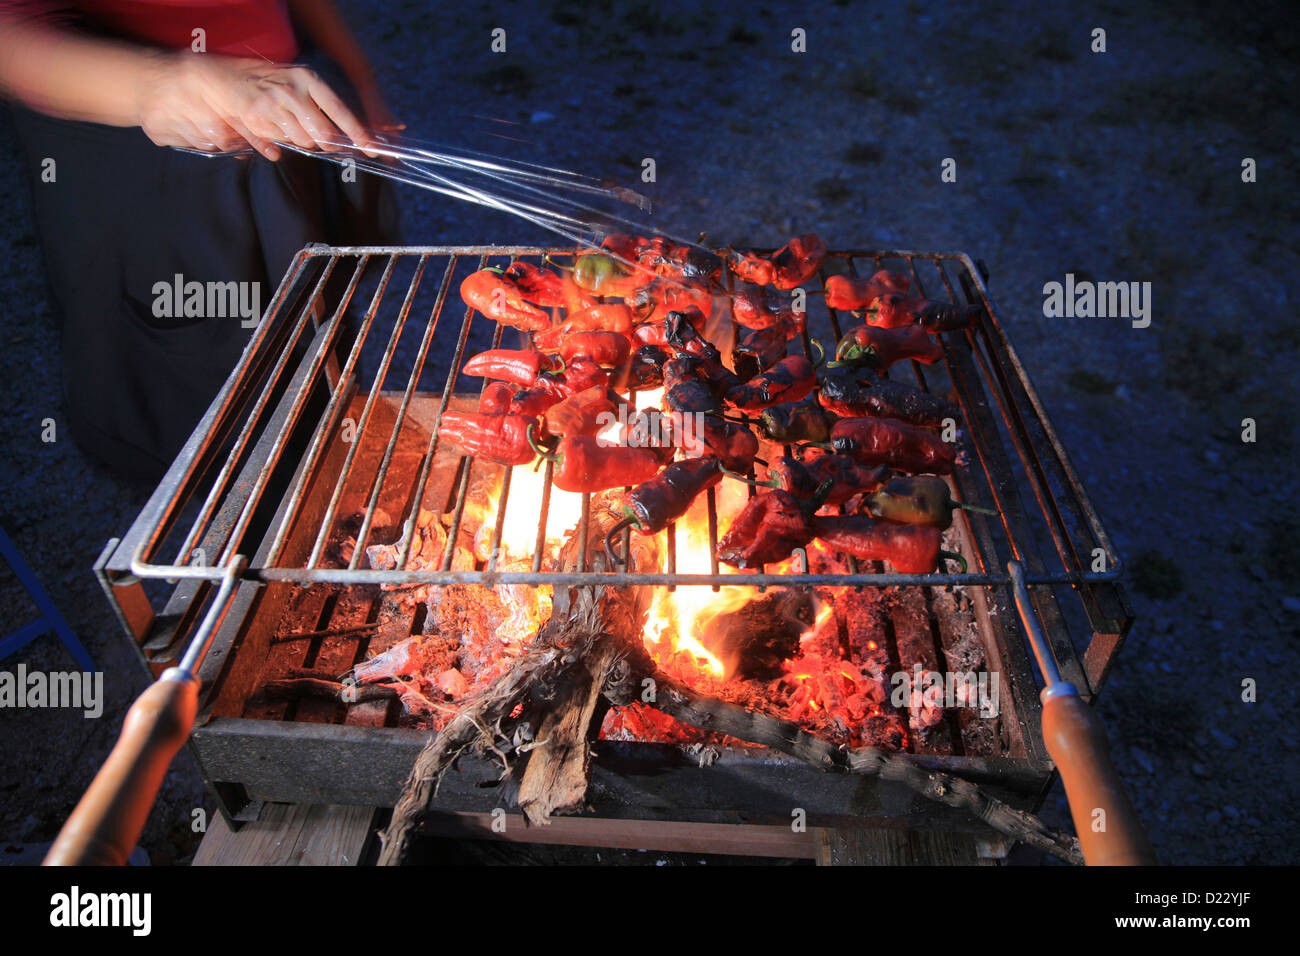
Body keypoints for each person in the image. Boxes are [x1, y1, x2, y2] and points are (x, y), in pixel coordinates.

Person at [0, 0, 401, 479]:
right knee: (205, 364)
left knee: (306, 321)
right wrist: (158, 82)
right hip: (138, 137)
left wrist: (358, 74)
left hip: (275, 104)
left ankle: (314, 448)